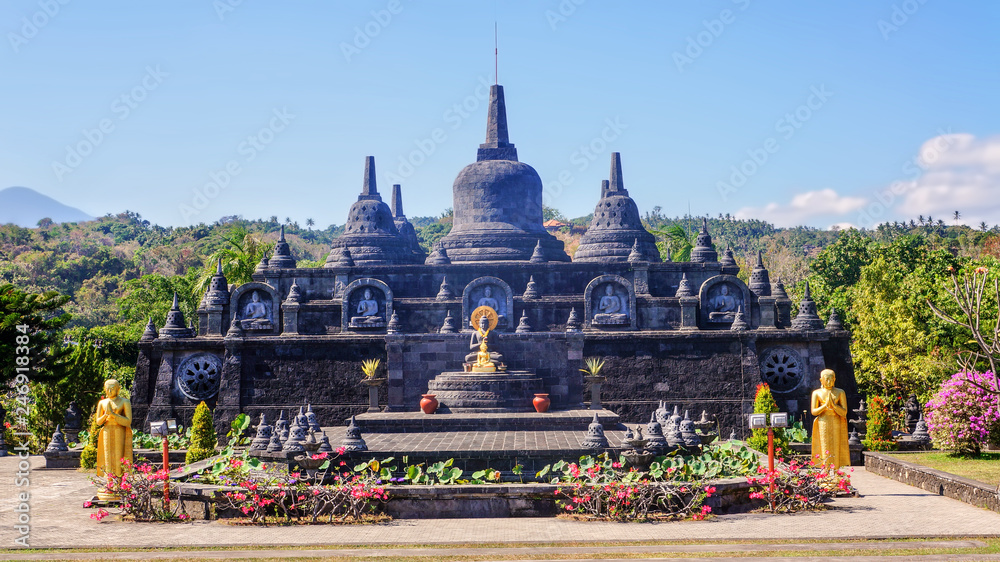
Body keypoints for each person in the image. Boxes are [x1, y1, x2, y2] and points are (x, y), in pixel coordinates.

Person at [810, 369, 850, 469]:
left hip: (836, 420)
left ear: (835, 379)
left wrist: (834, 406)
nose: (829, 382)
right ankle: (826, 471)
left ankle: (837, 471)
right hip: (823, 421)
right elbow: (814, 411)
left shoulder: (840, 392)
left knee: (836, 446)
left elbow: (844, 412)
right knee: (824, 446)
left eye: (831, 380)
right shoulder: (817, 393)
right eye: (826, 379)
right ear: (821, 380)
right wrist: (825, 406)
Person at [95, 379, 133, 480]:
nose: (109, 391)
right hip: (107, 430)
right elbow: (98, 421)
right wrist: (106, 415)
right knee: (107, 456)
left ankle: (119, 480)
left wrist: (113, 415)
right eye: (107, 389)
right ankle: (109, 481)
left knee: (118, 456)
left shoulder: (124, 402)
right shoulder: (102, 403)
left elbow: (128, 421)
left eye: (112, 389)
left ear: (118, 389)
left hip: (119, 430)